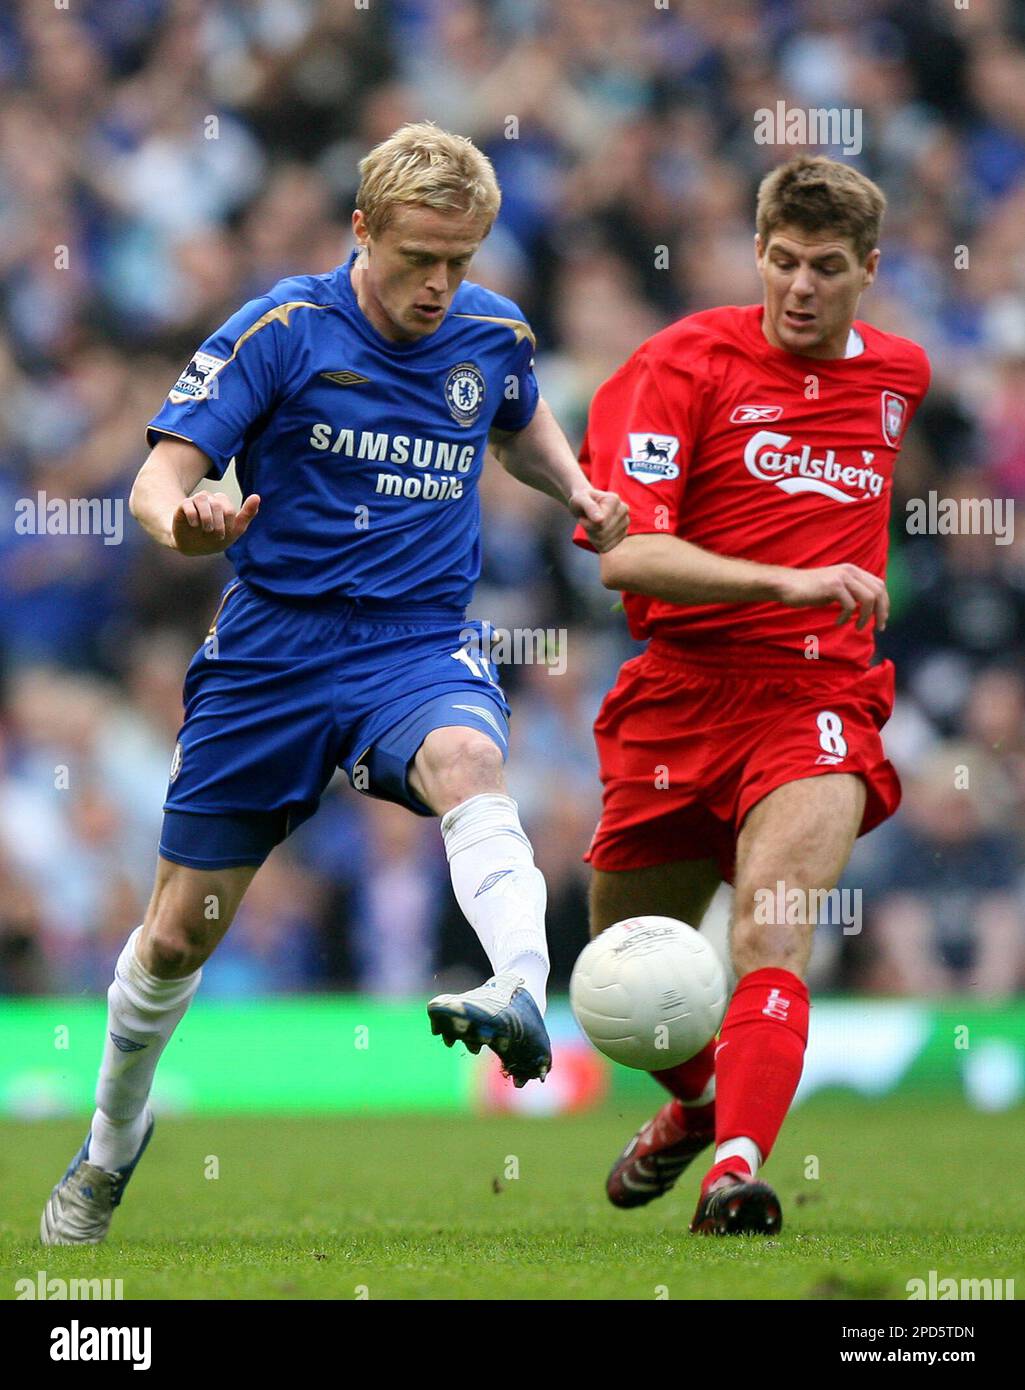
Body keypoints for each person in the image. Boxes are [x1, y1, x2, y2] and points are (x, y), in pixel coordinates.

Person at [41, 122, 627, 1245]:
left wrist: (578, 489)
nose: (438, 284)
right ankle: (113, 1139)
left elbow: (515, 420)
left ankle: (518, 983)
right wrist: (192, 523)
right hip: (271, 653)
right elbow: (154, 483)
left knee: (469, 758)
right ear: (361, 230)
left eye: (460, 259)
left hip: (412, 642)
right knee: (176, 935)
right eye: (418, 259)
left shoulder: (491, 330)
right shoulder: (280, 330)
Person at [573, 155, 930, 1235]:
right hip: (677, 699)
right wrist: (788, 576)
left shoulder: (899, 375)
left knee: (769, 933)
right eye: (780, 262)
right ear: (756, 254)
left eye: (826, 267)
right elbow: (627, 558)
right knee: (621, 986)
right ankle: (694, 1106)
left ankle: (736, 1169)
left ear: (867, 271)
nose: (799, 288)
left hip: (816, 695)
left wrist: (810, 603)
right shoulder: (676, 365)